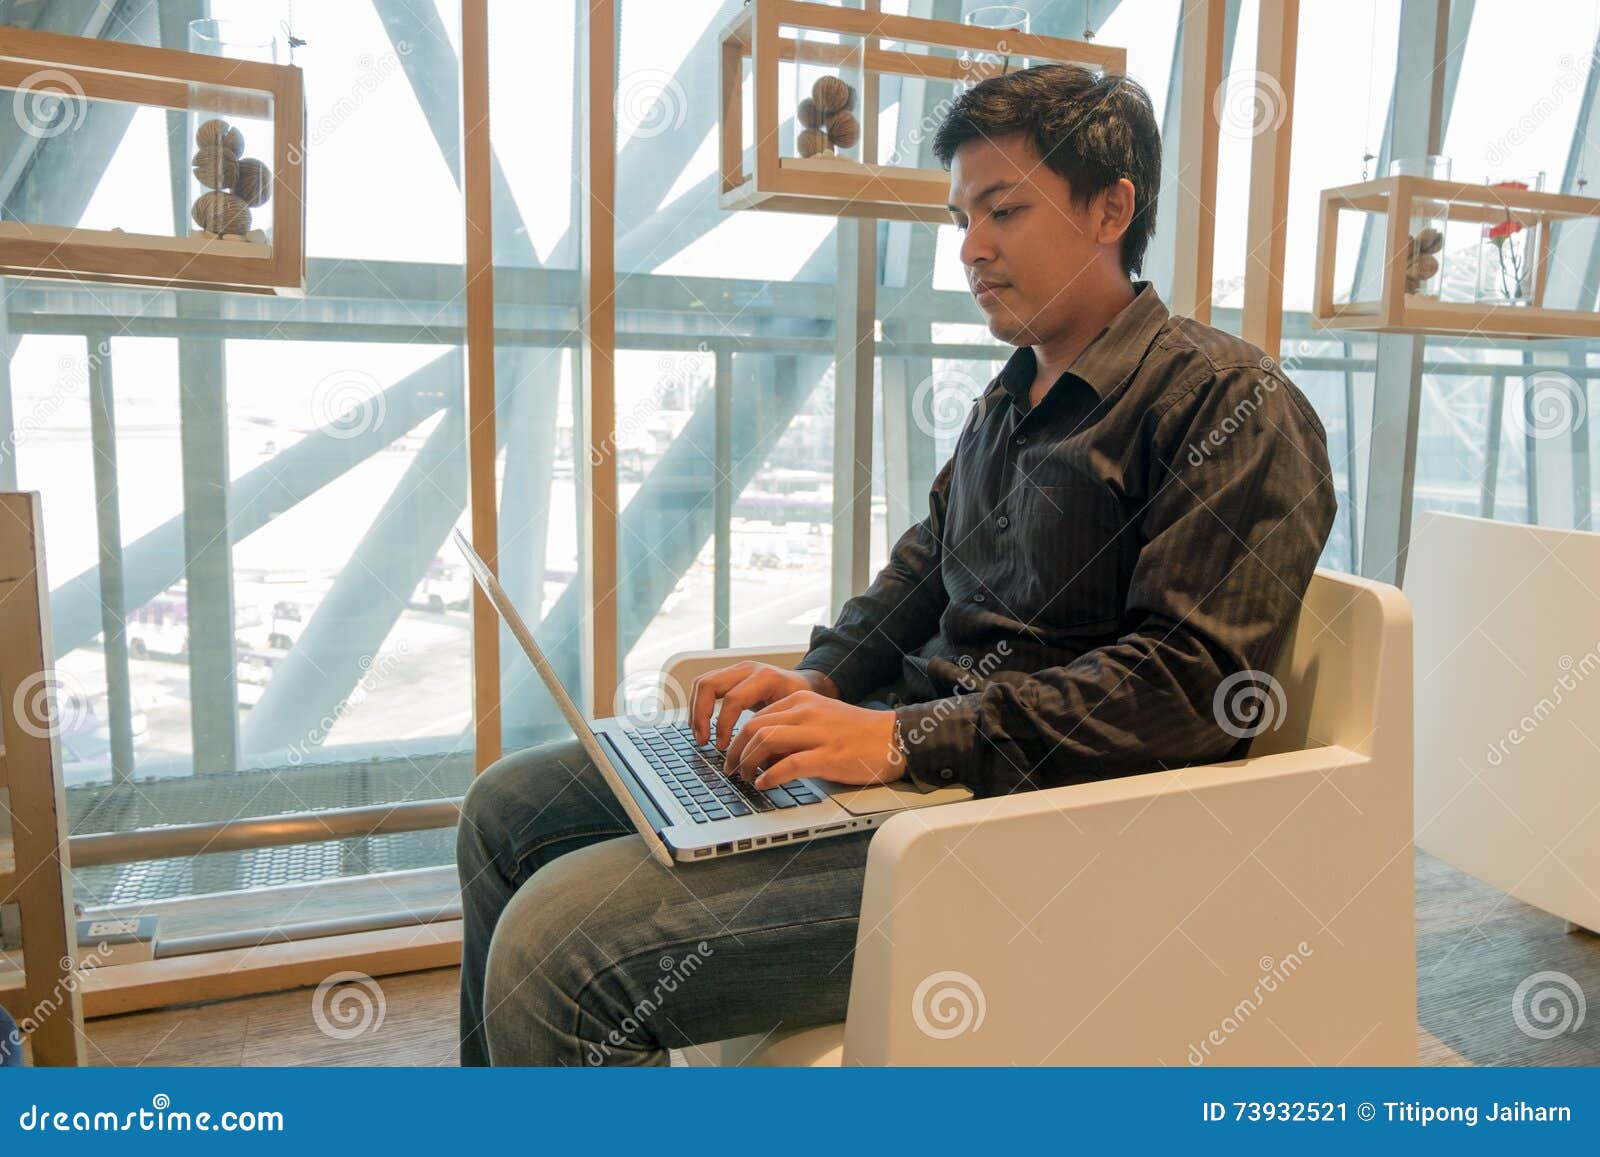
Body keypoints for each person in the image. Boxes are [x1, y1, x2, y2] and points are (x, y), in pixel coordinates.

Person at [457, 63, 1335, 1066]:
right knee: (506, 810)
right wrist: (822, 677)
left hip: (1028, 836)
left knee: (558, 945)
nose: (970, 247)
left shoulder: (1229, 404)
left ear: (1110, 208)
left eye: (1003, 210)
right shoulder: (1009, 398)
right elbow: (926, 567)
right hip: (919, 779)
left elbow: (1189, 688)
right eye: (962, 217)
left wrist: (899, 739)